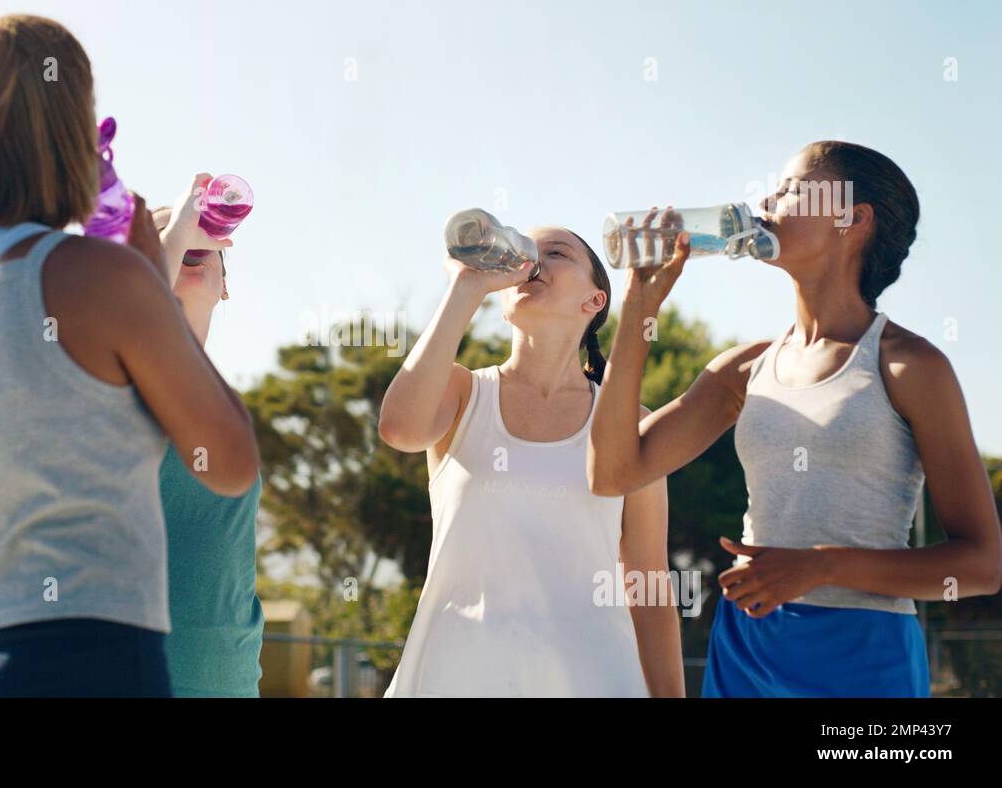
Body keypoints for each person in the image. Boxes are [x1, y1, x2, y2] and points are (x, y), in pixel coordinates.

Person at [0, 14, 260, 697]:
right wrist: (147, 278)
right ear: (76, 134)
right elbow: (228, 462)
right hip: (88, 664)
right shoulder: (101, 279)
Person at [588, 140, 1002, 697]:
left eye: (791, 189)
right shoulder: (743, 369)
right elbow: (613, 472)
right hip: (747, 645)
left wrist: (822, 566)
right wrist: (639, 307)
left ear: (853, 218)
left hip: (862, 651)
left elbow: (980, 566)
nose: (766, 199)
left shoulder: (911, 365)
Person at [378, 226, 682, 697]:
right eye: (521, 255)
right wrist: (466, 285)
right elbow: (399, 429)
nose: (531, 264)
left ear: (594, 300)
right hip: (454, 677)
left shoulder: (630, 424)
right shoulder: (461, 394)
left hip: (595, 681)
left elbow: (648, 582)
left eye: (554, 254)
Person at [153, 209, 264, 697]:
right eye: (164, 230)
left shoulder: (229, 409)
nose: (185, 231)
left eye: (202, 237)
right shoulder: (102, 383)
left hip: (225, 681)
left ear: (225, 284)